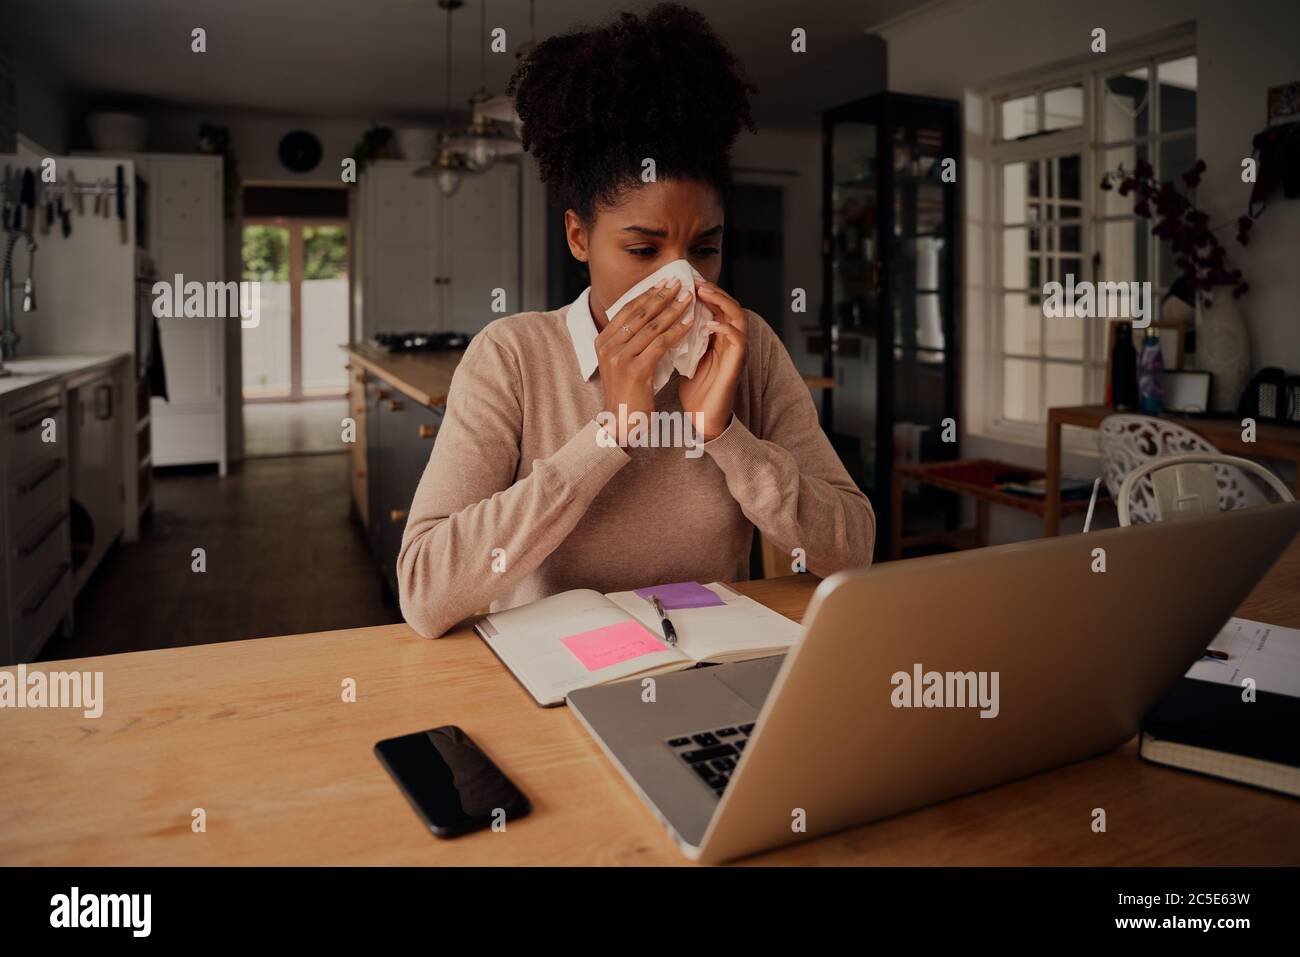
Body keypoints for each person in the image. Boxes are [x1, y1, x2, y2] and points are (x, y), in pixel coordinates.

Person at [398, 3, 874, 638]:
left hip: (708, 668)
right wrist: (608, 436)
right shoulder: (511, 357)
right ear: (578, 237)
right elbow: (425, 593)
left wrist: (727, 434)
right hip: (554, 682)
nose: (682, 282)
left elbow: (854, 551)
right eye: (644, 250)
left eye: (704, 249)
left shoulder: (750, 348)